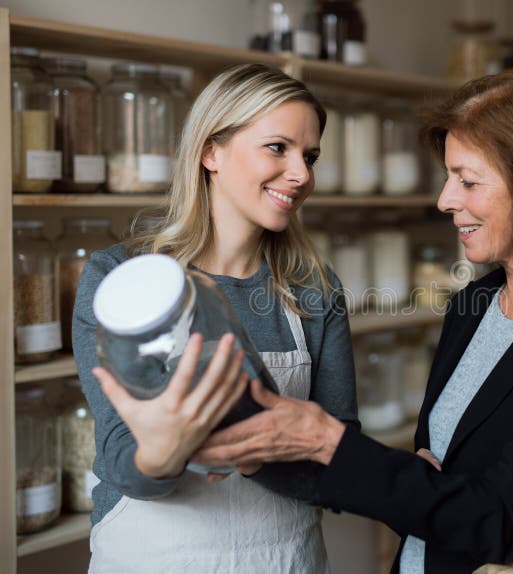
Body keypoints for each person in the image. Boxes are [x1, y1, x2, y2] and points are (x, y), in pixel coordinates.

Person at [190, 65, 513, 573]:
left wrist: (328, 443)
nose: (445, 200)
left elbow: (499, 520)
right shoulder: (473, 304)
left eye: (468, 180)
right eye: (448, 177)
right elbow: (430, 480)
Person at [73, 63, 358, 573]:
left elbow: (338, 458)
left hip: (284, 560)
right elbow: (121, 459)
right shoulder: (122, 280)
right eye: (278, 148)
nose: (302, 175)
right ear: (211, 152)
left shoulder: (314, 290)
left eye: (309, 156)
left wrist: (249, 453)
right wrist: (160, 454)